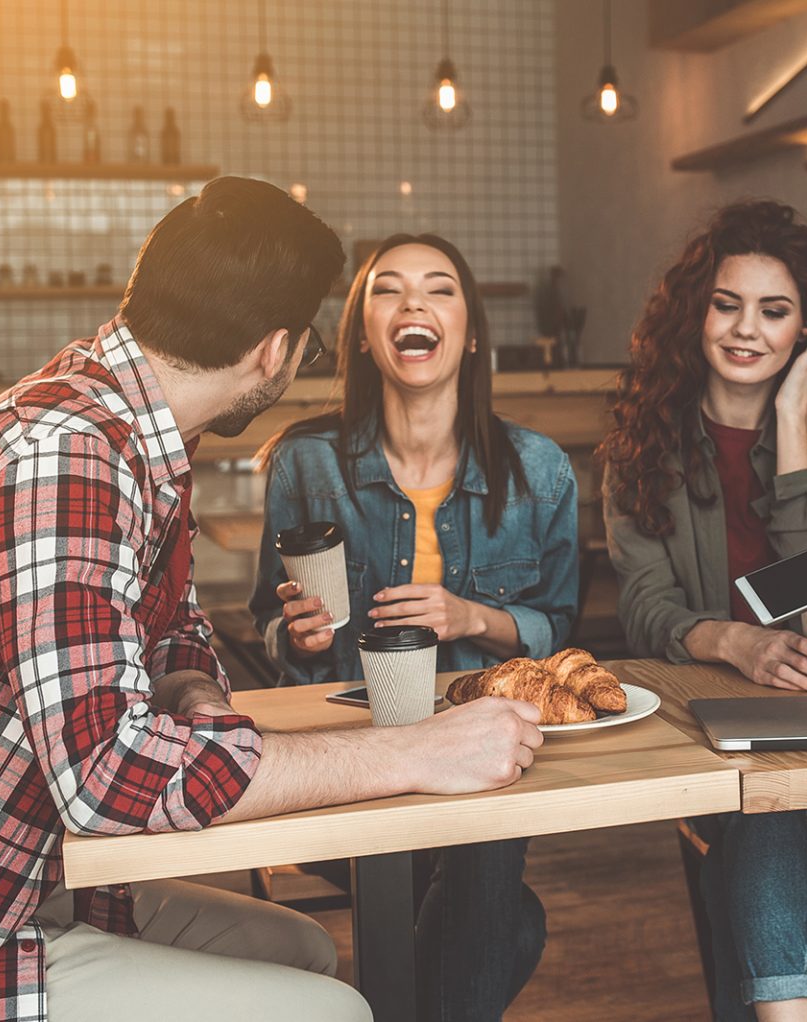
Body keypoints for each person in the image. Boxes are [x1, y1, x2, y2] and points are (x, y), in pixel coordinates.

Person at [0, 178, 544, 1022]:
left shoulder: (133, 432)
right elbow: (107, 776)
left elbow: (172, 629)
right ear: (272, 351)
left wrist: (198, 697)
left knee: (308, 950)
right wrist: (411, 753)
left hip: (25, 869)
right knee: (336, 1013)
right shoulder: (67, 457)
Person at [251, 233, 579, 1021]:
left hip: (480, 753)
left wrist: (472, 616)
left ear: (469, 331)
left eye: (439, 289)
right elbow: (266, 623)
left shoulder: (540, 471)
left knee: (488, 867)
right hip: (348, 764)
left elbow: (561, 632)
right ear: (364, 333)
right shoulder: (306, 464)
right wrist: (292, 635)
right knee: (505, 912)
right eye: (388, 291)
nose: (414, 305)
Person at [598, 199, 807, 1020]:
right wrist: (735, 643)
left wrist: (793, 421)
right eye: (727, 304)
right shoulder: (641, 437)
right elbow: (646, 605)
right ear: (698, 312)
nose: (745, 329)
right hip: (702, 723)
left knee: (762, 818)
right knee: (752, 821)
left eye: (775, 310)